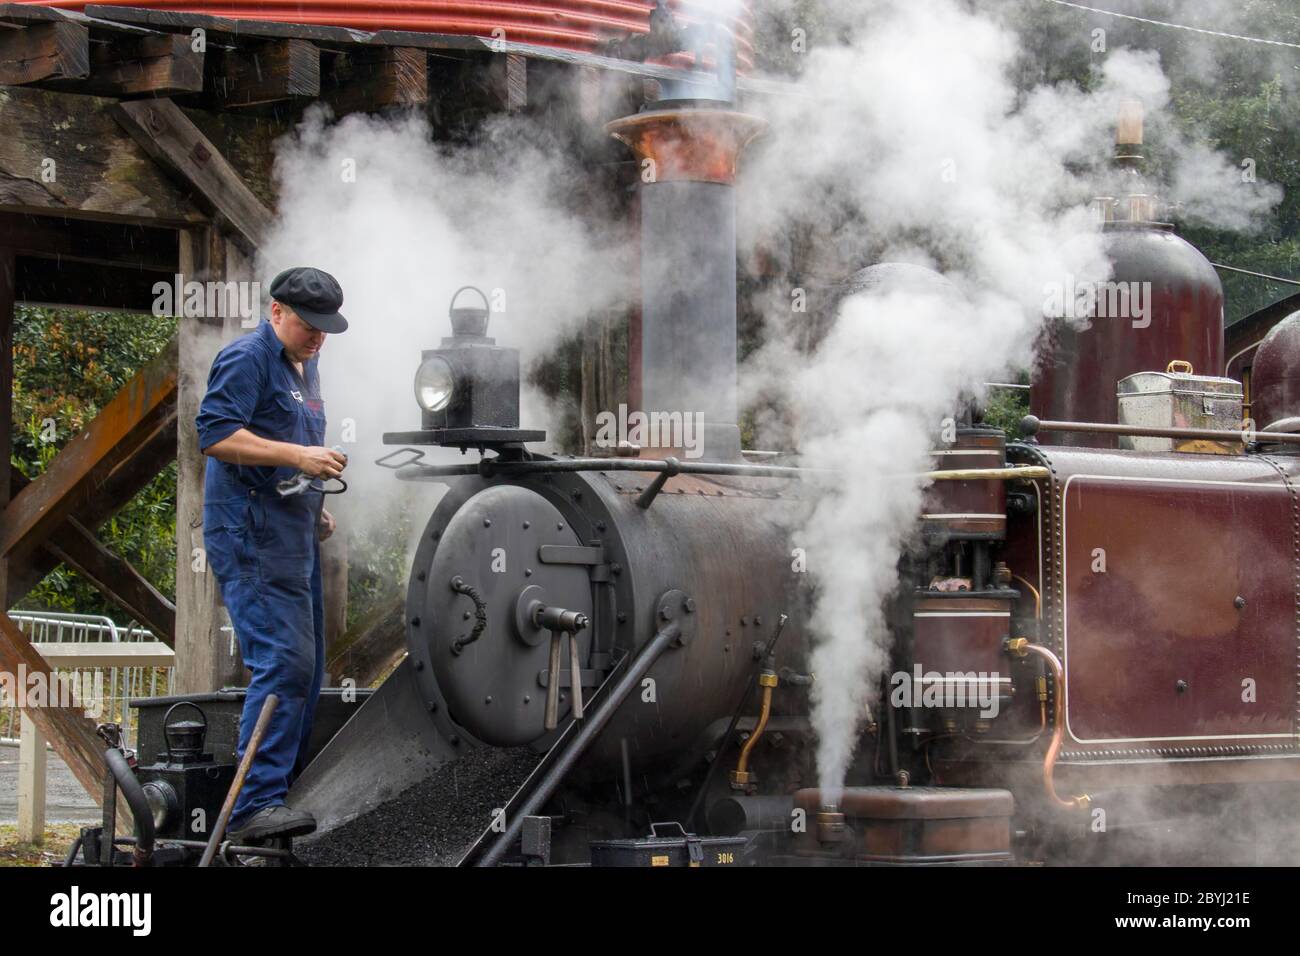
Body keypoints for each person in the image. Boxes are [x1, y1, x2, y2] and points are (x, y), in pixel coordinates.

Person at [195, 266, 349, 843]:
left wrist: (312, 502)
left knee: (307, 671)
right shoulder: (246, 358)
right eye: (310, 326)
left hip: (291, 533)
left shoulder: (306, 364)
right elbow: (214, 435)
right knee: (283, 661)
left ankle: (281, 792)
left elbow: (283, 453)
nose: (318, 338)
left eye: (326, 329)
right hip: (251, 536)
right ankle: (252, 806)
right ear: (276, 311)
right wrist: (298, 457)